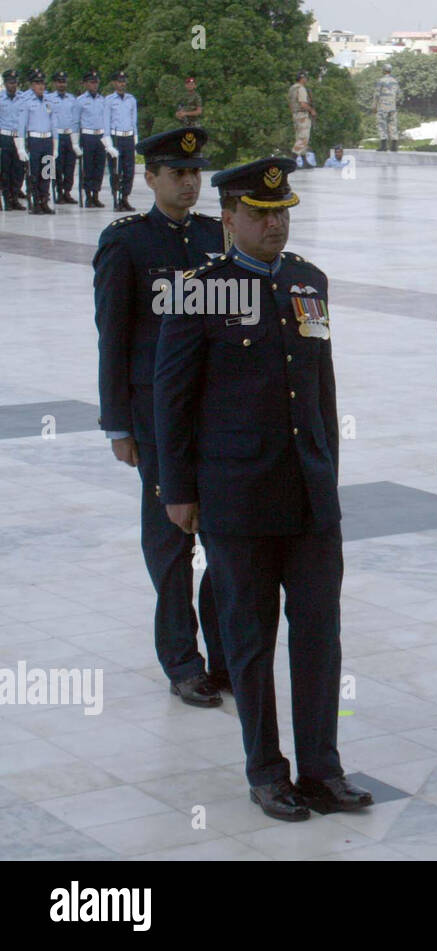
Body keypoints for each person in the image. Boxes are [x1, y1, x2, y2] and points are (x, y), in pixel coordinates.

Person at [154, 156, 373, 821]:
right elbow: (173, 398)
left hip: (309, 497)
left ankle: (322, 769)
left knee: (320, 637)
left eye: (282, 213)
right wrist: (179, 490)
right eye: (260, 214)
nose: (274, 224)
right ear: (230, 218)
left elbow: (321, 386)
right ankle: (266, 770)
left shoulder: (309, 281)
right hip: (237, 497)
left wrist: (328, 471)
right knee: (250, 642)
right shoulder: (199, 288)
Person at [93, 127, 228, 708]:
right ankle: (181, 660)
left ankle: (224, 653)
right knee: (169, 541)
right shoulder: (127, 243)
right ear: (150, 178)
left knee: (223, 537)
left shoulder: (212, 237)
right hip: (154, 417)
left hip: (215, 413)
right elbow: (112, 338)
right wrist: (118, 424)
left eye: (195, 172)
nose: (189, 182)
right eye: (177, 173)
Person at [15, 68, 56, 215]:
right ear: (32, 85)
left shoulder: (49, 101)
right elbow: (21, 126)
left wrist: (55, 145)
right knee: (34, 173)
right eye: (37, 83)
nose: (41, 86)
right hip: (34, 140)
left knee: (47, 173)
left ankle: (44, 201)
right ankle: (35, 202)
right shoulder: (26, 102)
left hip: (47, 140)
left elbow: (54, 124)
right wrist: (20, 147)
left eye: (42, 83)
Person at [76, 70, 108, 208]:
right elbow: (76, 122)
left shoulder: (103, 100)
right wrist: (76, 141)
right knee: (88, 166)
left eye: (96, 83)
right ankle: (88, 195)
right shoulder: (80, 101)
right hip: (87, 135)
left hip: (100, 135)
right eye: (91, 82)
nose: (94, 85)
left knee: (99, 166)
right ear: (86, 84)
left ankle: (96, 194)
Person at [107, 70, 138, 211]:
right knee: (116, 170)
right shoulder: (109, 100)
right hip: (116, 137)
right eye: (119, 81)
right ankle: (116, 197)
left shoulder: (131, 99)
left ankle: (125, 197)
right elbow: (105, 122)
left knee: (129, 170)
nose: (122, 84)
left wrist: (136, 139)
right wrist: (108, 144)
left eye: (123, 81)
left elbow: (134, 121)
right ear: (114, 83)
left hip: (129, 136)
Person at [48, 71, 78, 205]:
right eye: (59, 82)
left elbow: (76, 119)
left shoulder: (72, 99)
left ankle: (67, 192)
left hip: (70, 135)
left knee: (70, 166)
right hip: (56, 136)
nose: (62, 84)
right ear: (55, 83)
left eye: (64, 81)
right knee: (56, 166)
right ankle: (57, 191)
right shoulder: (48, 98)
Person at [0, 68, 26, 211]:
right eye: (10, 83)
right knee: (5, 170)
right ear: (5, 83)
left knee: (19, 169)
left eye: (15, 82)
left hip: (19, 138)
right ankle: (7, 198)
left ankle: (15, 196)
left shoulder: (23, 98)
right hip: (5, 137)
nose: (13, 85)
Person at [288, 70, 316, 169]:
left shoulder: (292, 88)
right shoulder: (301, 89)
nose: (306, 80)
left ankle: (304, 161)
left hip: (295, 115)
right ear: (302, 78)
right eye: (305, 78)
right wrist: (311, 110)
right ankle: (292, 160)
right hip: (302, 115)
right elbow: (303, 104)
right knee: (303, 138)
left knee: (299, 137)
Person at [373, 62, 400, 152]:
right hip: (393, 106)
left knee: (381, 124)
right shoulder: (395, 81)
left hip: (383, 106)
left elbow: (377, 94)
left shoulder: (381, 81)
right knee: (393, 124)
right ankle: (394, 145)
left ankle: (384, 145)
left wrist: (374, 106)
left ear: (384, 70)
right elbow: (398, 94)